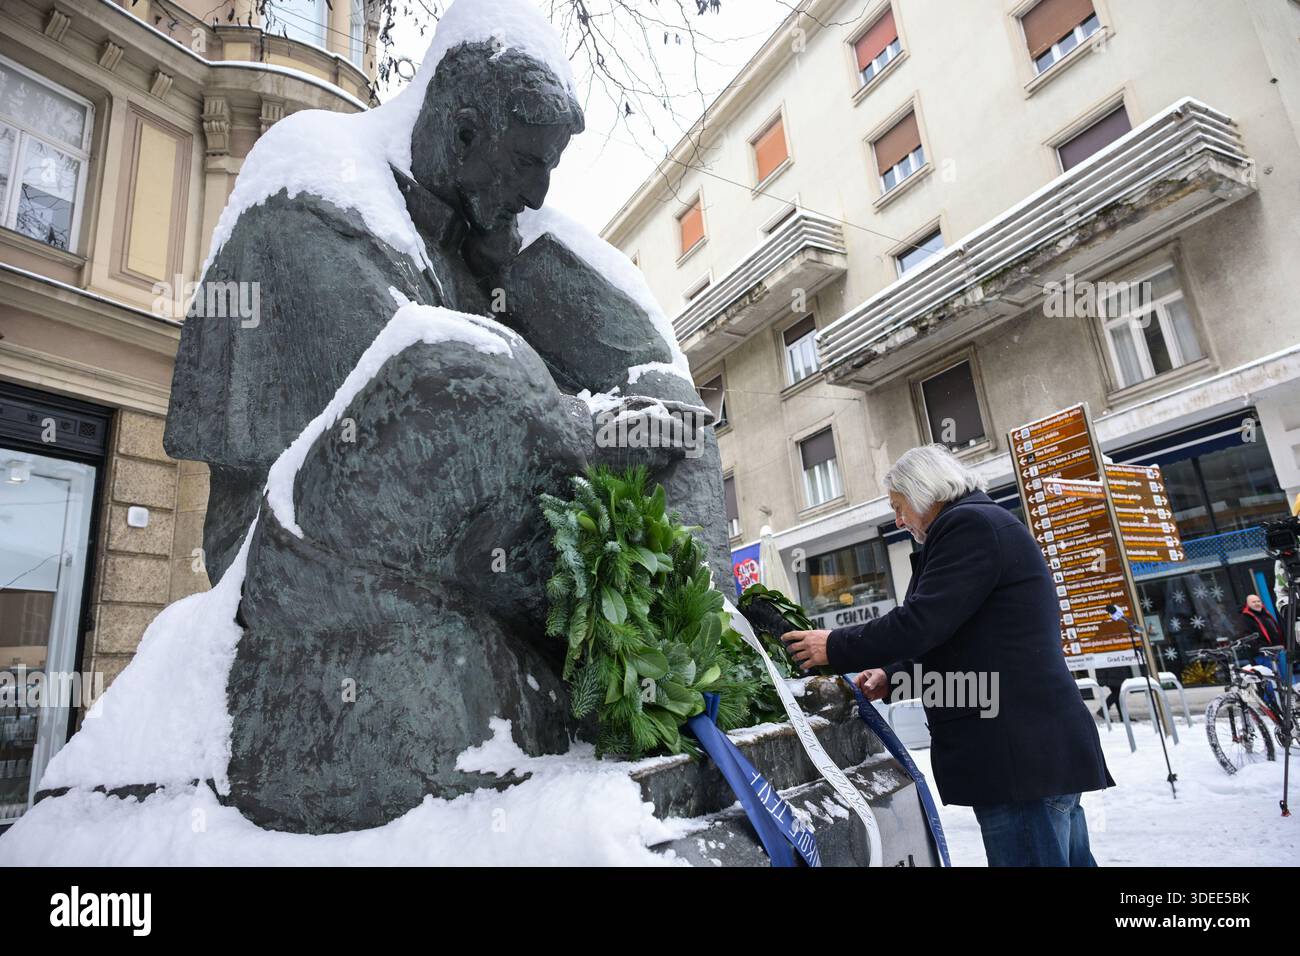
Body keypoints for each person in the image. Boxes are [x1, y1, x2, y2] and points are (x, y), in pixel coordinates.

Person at [782, 444, 1113, 866]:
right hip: (1036, 752)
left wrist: (834, 646)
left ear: (925, 492)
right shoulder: (980, 523)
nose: (898, 520)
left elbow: (922, 622)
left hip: (1018, 757)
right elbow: (967, 644)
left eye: (899, 507)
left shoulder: (968, 526)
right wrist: (894, 676)